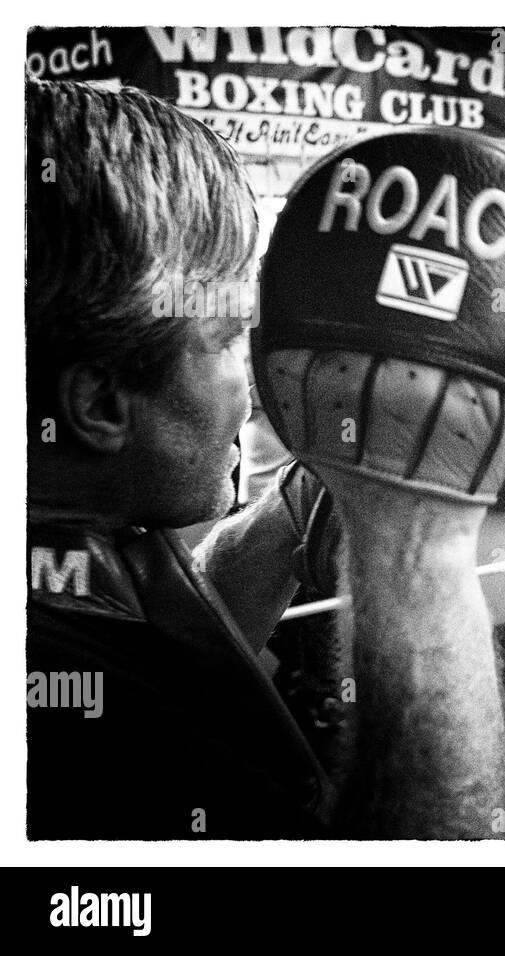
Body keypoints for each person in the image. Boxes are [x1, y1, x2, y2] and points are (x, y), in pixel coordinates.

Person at [26, 78, 331, 837]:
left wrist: (295, 513)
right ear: (97, 404)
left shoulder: (62, 548)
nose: (252, 386)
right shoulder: (107, 735)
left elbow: (168, 637)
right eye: (226, 339)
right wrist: (425, 555)